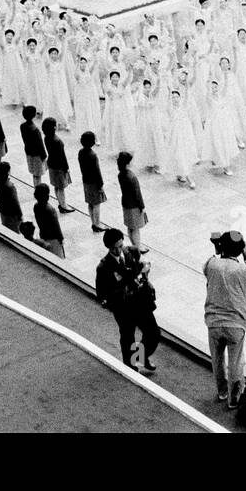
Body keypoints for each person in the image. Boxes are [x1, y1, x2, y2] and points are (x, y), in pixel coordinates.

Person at [203, 230, 246, 409]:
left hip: (213, 322)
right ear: (239, 250)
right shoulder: (243, 270)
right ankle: (234, 399)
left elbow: (206, 268)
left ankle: (222, 392)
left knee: (217, 360)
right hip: (236, 324)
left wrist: (219, 249)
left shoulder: (212, 264)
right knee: (235, 363)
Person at [95, 228, 160, 373]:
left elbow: (140, 268)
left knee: (153, 333)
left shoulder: (131, 252)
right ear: (109, 247)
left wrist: (145, 278)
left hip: (140, 301)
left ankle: (141, 356)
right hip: (123, 307)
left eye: (120, 245)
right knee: (127, 336)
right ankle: (130, 367)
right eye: (115, 248)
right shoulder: (104, 267)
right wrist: (120, 293)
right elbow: (101, 294)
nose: (119, 250)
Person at [41, 116, 75, 213]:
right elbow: (62, 156)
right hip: (59, 167)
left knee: (56, 186)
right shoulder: (57, 141)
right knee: (61, 187)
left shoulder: (46, 138)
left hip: (52, 164)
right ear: (54, 127)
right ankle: (63, 205)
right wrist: (66, 168)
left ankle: (60, 203)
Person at [115, 150, 147, 250]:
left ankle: (134, 245)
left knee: (130, 227)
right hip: (134, 205)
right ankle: (137, 247)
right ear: (128, 163)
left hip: (125, 203)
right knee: (136, 228)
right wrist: (142, 207)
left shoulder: (121, 174)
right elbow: (138, 194)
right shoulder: (132, 177)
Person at [76, 130, 106, 232]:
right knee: (97, 203)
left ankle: (93, 222)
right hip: (94, 183)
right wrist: (100, 185)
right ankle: (97, 224)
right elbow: (97, 172)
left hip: (86, 181)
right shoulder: (93, 155)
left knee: (90, 203)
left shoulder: (81, 152)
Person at [32, 183, 64, 258]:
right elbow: (56, 226)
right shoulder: (50, 210)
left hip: (43, 235)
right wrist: (61, 238)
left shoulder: (36, 206)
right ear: (47, 196)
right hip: (53, 238)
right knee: (58, 258)